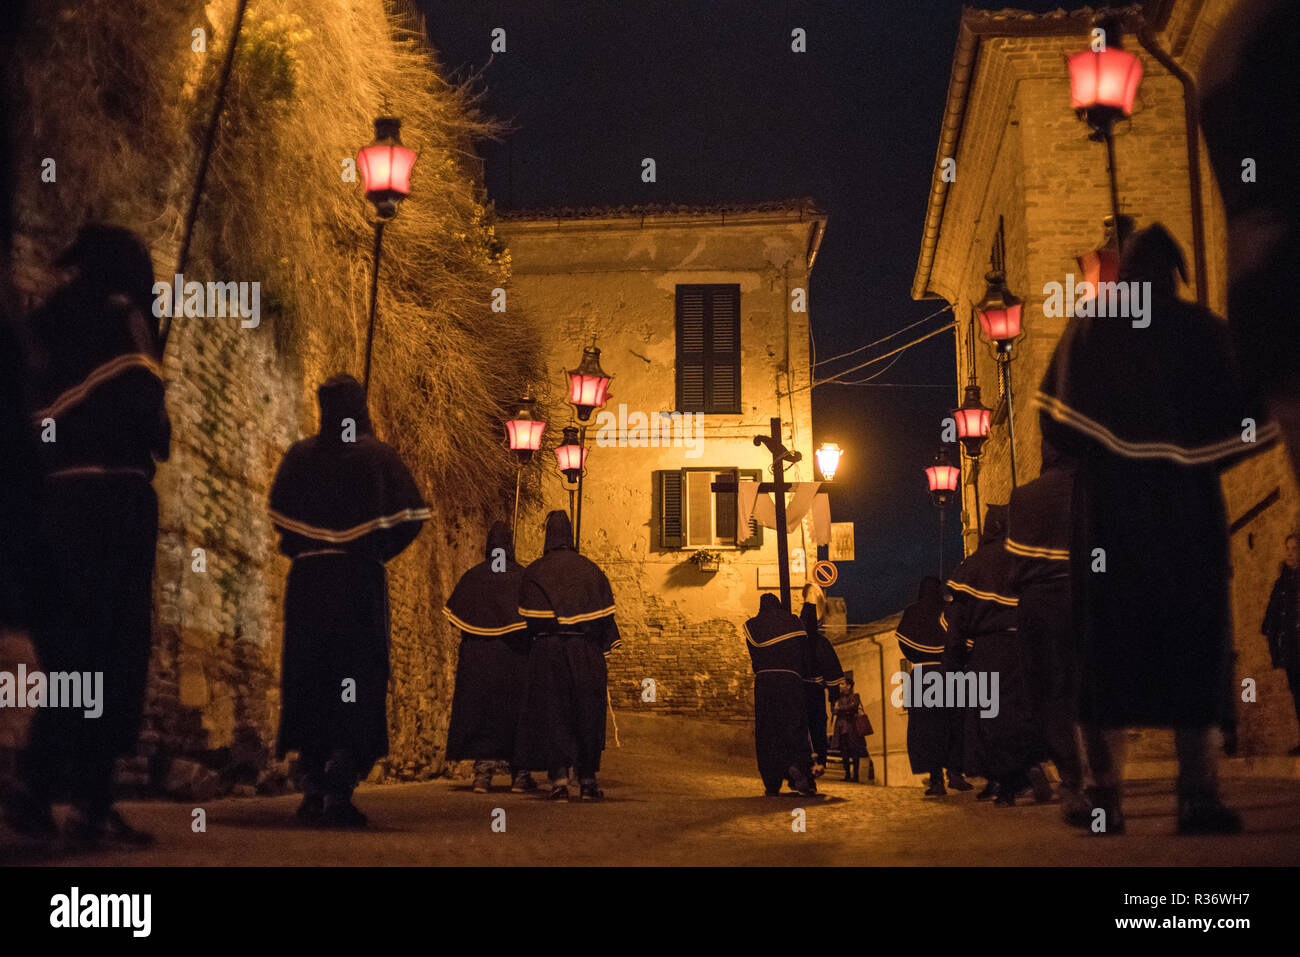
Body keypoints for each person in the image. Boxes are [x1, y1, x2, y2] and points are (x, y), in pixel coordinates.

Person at [1036, 223, 1278, 835]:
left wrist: (1116, 443)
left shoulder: (1089, 331)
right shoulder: (1205, 332)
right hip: (1188, 515)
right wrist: (1191, 451)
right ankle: (1198, 795)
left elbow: (1059, 426)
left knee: (1105, 652)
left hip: (1109, 520)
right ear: (1176, 275)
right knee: (1193, 647)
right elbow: (1252, 410)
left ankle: (1103, 798)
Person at [4, 224, 169, 847]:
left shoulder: (45, 322)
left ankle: (64, 791)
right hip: (113, 501)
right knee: (114, 650)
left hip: (55, 500)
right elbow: (134, 397)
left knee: (74, 650)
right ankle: (69, 792)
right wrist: (156, 419)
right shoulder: (123, 315)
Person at [269, 373, 428, 828]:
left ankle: (313, 785)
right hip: (357, 581)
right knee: (356, 675)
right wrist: (379, 548)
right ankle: (339, 785)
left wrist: (300, 545)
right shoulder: (379, 457)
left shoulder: (300, 456)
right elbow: (412, 516)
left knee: (310, 674)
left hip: (310, 583)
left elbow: (281, 513)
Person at [943, 504, 1050, 808]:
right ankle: (1028, 767)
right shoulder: (1025, 559)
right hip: (1026, 646)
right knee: (1025, 712)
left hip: (988, 651)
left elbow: (958, 620)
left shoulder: (972, 566)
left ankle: (1006, 784)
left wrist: (952, 661)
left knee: (990, 719)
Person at [1005, 437, 1089, 824]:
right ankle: (1101, 780)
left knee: (1050, 695)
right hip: (1088, 594)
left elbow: (1014, 564)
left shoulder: (1023, 497)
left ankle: (1072, 779)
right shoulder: (1093, 487)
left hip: (1039, 603)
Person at [513, 510, 621, 802]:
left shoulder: (535, 571)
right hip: (585, 650)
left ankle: (559, 781)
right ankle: (587, 781)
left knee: (553, 714)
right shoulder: (591, 570)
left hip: (548, 651)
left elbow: (527, 620)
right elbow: (606, 622)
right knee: (586, 714)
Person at [443, 521, 537, 793]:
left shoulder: (473, 577)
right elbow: (535, 619)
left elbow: (455, 618)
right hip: (515, 658)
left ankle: (482, 775)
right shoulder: (523, 578)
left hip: (478, 659)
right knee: (517, 713)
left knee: (480, 712)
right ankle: (520, 775)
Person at [896, 577, 970, 796]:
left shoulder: (912, 613)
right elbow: (958, 640)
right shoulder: (947, 611)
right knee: (954, 724)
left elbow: (904, 645)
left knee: (927, 731)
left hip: (922, 677)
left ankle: (936, 779)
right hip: (950, 673)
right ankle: (955, 774)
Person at [744, 592, 817, 797]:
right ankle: (798, 767)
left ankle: (772, 781)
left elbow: (754, 656)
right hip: (791, 680)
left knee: (768, 731)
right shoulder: (793, 623)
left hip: (765, 683)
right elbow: (805, 652)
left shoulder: (752, 626)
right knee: (794, 727)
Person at [800, 584, 846, 777]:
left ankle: (804, 764)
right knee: (816, 727)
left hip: (798, 692)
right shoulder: (821, 642)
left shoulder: (796, 641)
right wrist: (833, 696)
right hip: (815, 693)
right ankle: (817, 762)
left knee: (802, 728)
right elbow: (832, 670)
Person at [1262, 534, 1300, 755]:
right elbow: (1270, 618)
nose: (1290, 553)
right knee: (1298, 695)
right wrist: (1275, 643)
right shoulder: (1282, 583)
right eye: (1288, 549)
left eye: (1295, 549)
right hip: (1292, 651)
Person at [829, 672, 871, 783]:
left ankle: (855, 776)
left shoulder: (855, 696)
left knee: (855, 753)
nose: (840, 686)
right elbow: (833, 710)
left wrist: (840, 708)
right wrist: (842, 709)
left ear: (849, 686)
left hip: (853, 728)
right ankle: (847, 775)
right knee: (844, 753)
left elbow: (853, 707)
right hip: (841, 730)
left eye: (842, 684)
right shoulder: (837, 698)